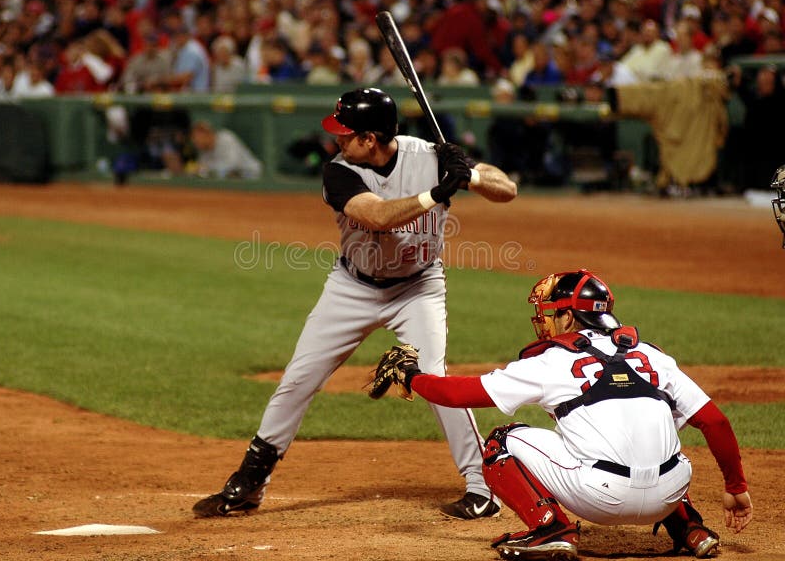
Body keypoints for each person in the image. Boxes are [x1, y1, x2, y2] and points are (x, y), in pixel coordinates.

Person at [192, 87, 517, 520]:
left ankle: (483, 488)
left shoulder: (430, 155)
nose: (337, 141)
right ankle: (250, 483)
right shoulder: (339, 171)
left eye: (346, 134)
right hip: (353, 289)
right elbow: (378, 216)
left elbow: (507, 189)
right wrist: (438, 194)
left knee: (435, 379)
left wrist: (470, 176)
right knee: (299, 378)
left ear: (370, 138)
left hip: (418, 288)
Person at [372, 269, 753, 560]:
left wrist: (413, 376)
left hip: (600, 497)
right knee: (661, 442)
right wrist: (736, 487)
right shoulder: (652, 355)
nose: (544, 321)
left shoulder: (553, 361)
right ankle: (691, 529)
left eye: (551, 313)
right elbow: (715, 422)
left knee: (502, 441)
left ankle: (549, 528)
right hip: (669, 493)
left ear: (570, 319)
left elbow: (459, 393)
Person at [188, 120, 263, 180]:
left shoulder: (226, 138)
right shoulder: (204, 150)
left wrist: (206, 169)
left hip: (252, 176)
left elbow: (232, 165)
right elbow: (203, 169)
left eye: (196, 136)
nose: (194, 140)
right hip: (233, 180)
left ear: (207, 133)